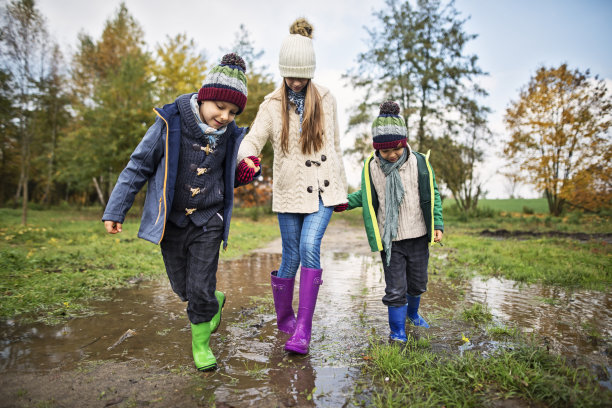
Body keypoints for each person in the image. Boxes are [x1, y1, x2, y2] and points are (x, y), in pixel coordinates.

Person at [102, 53, 261, 371]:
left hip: (208, 221)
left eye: (233, 111)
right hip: (172, 222)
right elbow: (139, 166)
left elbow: (226, 177)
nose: (225, 116)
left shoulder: (230, 136)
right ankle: (212, 301)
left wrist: (242, 175)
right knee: (182, 287)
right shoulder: (169, 123)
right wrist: (116, 209)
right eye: (220, 106)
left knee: (199, 286)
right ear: (204, 98)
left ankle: (201, 344)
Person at [237, 18, 348, 355]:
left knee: (309, 246)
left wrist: (339, 191)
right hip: (288, 193)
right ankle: (284, 317)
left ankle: (303, 328)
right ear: (283, 70)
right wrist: (248, 159)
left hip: (322, 190)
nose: (297, 82)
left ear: (311, 72)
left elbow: (335, 146)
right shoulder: (271, 106)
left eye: (303, 76)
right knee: (289, 258)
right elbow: (251, 141)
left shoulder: (326, 99)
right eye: (291, 75)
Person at [345, 101, 444, 343]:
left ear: (404, 142)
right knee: (395, 288)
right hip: (392, 241)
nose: (391, 155)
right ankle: (397, 330)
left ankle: (413, 314)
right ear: (376, 148)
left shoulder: (420, 163)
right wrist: (342, 202)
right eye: (385, 151)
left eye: (396, 149)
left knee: (417, 282)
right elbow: (366, 195)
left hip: (419, 235)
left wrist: (438, 225)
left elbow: (433, 195)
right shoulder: (372, 167)